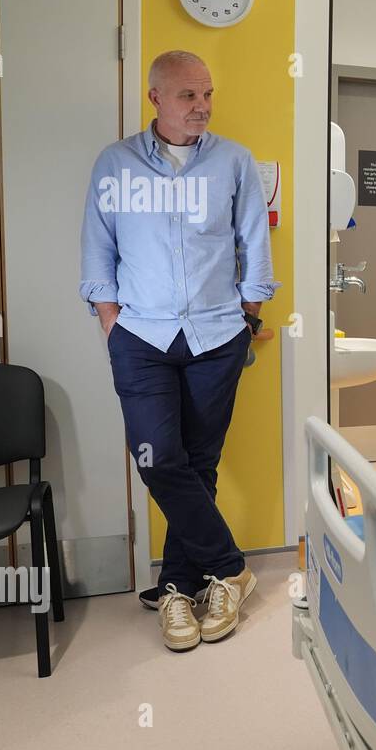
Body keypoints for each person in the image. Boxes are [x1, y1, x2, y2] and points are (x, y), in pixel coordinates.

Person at [79, 50, 280, 651]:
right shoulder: (115, 164)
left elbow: (253, 240)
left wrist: (250, 316)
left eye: (208, 95)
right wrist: (111, 321)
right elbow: (98, 245)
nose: (202, 107)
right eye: (189, 95)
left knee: (199, 463)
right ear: (156, 99)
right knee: (157, 458)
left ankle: (176, 589)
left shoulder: (234, 161)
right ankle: (232, 569)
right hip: (140, 336)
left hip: (218, 335)